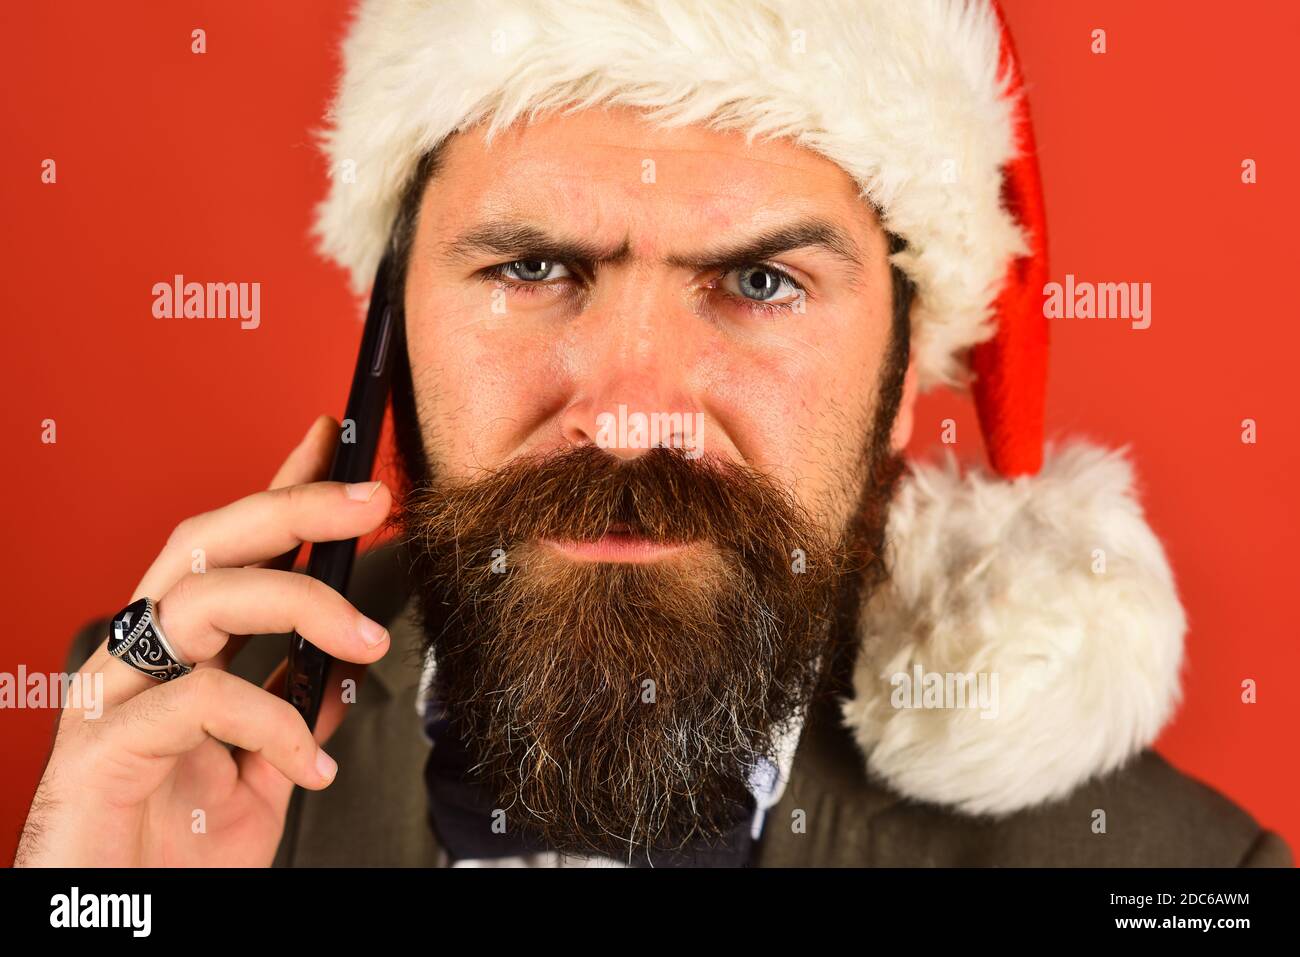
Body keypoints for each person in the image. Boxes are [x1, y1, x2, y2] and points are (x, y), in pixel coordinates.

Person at [16, 0, 1291, 867]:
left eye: (759, 283)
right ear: (389, 342)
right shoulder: (170, 738)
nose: (630, 410)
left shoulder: (1172, 874)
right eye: (530, 266)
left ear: (905, 371)